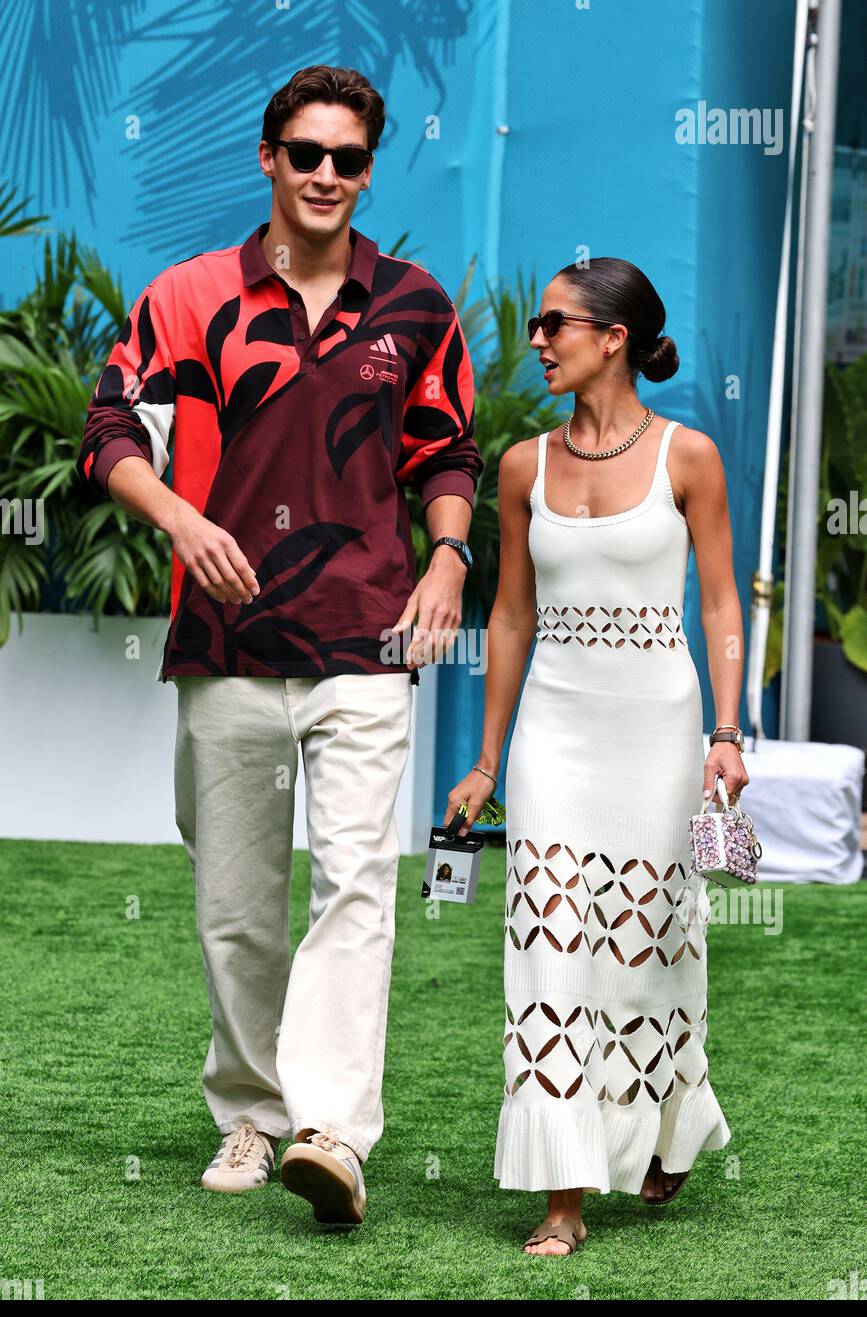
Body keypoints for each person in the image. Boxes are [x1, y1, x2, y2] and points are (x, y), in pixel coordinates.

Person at [76, 64, 482, 1224]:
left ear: (367, 169)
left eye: (347, 159)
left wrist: (450, 556)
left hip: (369, 633)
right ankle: (251, 1115)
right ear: (268, 158)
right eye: (305, 153)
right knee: (239, 905)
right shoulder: (189, 295)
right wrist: (184, 520)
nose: (324, 175)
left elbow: (445, 451)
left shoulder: (414, 305)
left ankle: (333, 1132)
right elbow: (109, 429)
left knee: (357, 884)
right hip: (227, 643)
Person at [446, 257, 746, 1256]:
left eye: (556, 324)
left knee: (655, 942)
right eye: (537, 326)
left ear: (614, 336)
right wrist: (486, 759)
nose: (537, 339)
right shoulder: (523, 466)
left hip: (658, 731)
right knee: (549, 943)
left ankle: (672, 1121)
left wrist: (728, 735)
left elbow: (718, 605)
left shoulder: (688, 457)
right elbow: (509, 617)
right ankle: (565, 1193)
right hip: (555, 736)